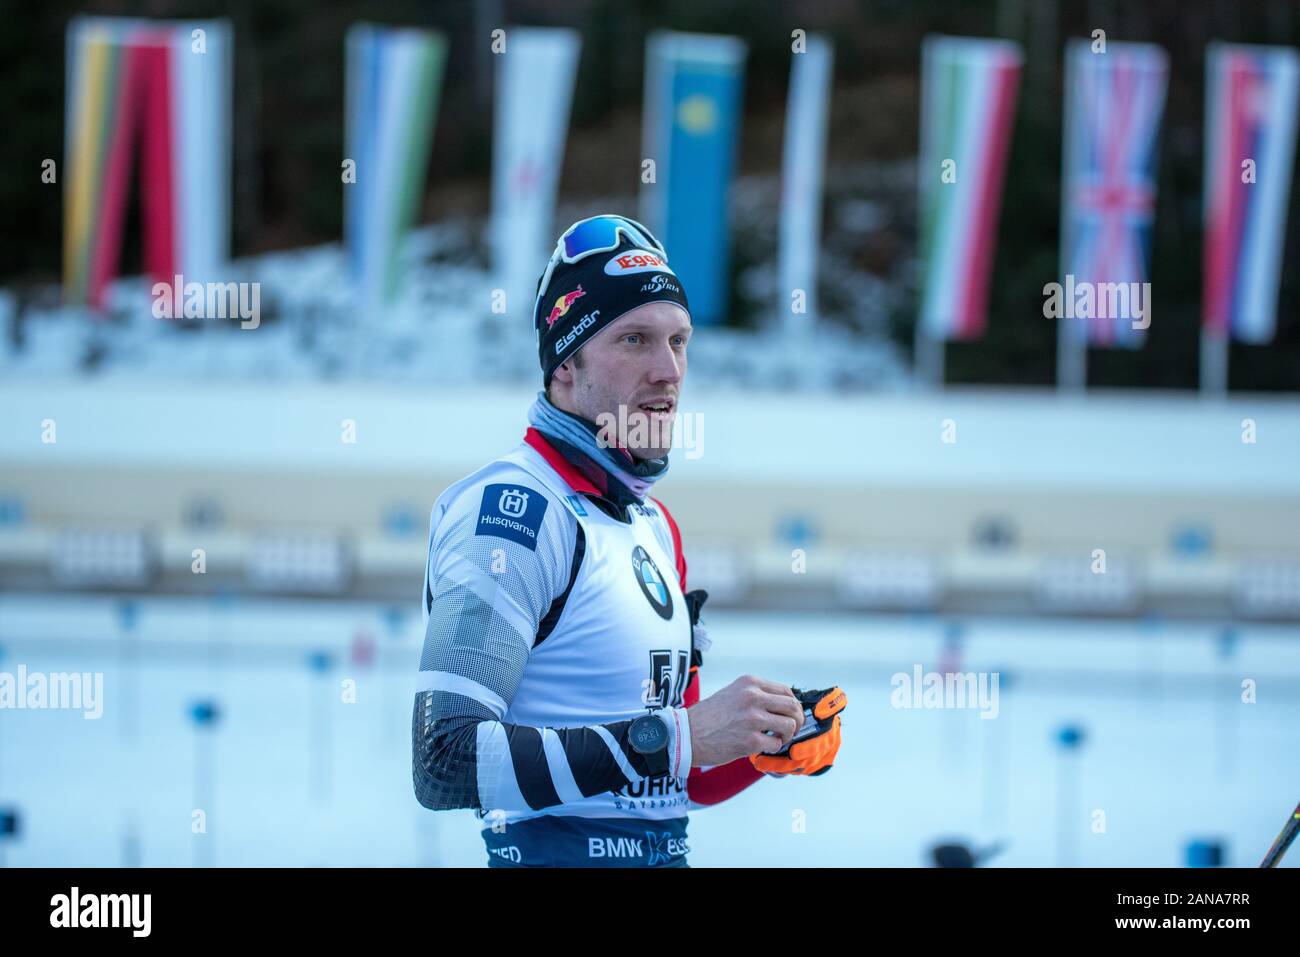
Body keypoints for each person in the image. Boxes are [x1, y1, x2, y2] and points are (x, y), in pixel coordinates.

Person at [412, 214, 846, 867]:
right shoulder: (513, 512)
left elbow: (677, 777)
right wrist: (681, 737)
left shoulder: (653, 527)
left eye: (679, 342)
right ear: (565, 367)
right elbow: (444, 760)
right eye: (635, 340)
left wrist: (762, 742)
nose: (668, 371)